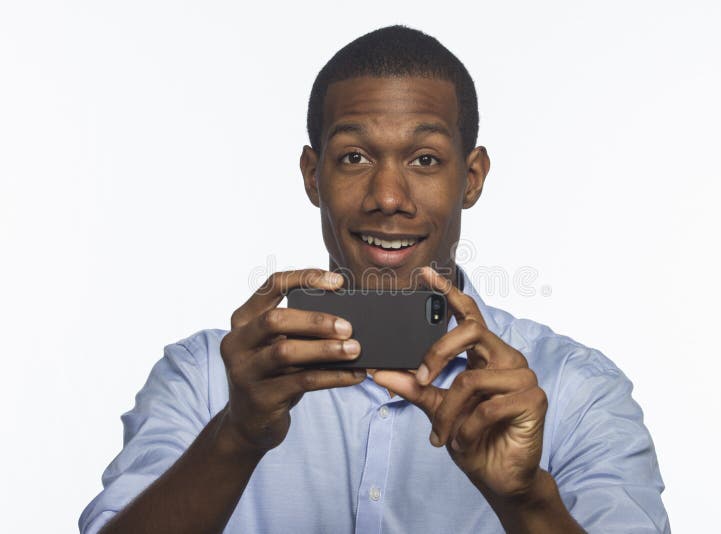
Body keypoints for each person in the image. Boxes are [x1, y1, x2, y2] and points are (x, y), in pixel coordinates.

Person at [80, 25, 669, 533]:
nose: (388, 198)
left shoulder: (577, 391)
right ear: (313, 175)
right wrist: (235, 436)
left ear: (472, 177)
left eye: (426, 160)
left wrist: (525, 500)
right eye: (354, 158)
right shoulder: (207, 379)